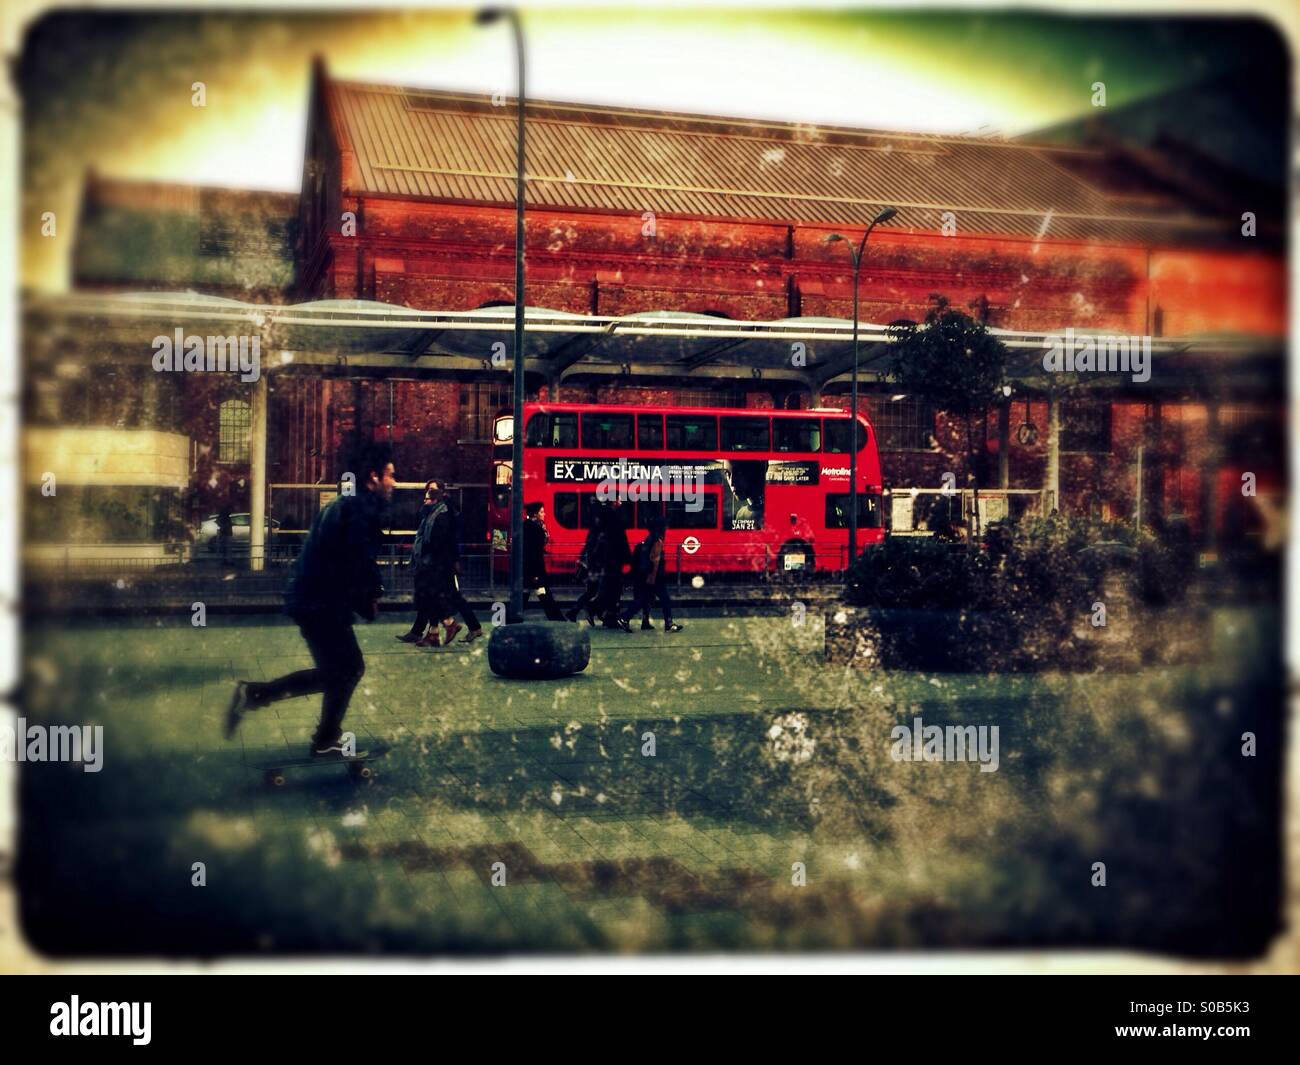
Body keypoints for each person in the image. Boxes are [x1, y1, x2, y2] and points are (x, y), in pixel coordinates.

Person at [222, 443, 394, 757]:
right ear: (373, 476)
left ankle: (272, 704)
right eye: (390, 476)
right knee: (347, 669)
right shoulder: (358, 509)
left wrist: (367, 593)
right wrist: (369, 596)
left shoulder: (348, 504)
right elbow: (354, 559)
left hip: (315, 600)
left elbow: (348, 558)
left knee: (340, 671)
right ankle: (306, 725)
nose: (393, 483)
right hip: (321, 603)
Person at [617, 516, 682, 632]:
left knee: (645, 599)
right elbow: (655, 560)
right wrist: (652, 578)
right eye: (665, 527)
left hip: (647, 575)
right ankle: (669, 624)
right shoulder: (658, 541)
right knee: (664, 599)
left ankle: (626, 618)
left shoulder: (649, 538)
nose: (666, 529)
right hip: (655, 577)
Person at [522, 501, 566, 621]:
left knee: (526, 595)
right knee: (544, 595)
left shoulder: (527, 525)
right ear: (535, 514)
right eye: (541, 512)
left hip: (528, 568)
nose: (544, 514)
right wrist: (536, 573)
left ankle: (511, 619)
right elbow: (534, 551)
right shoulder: (536, 528)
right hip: (535, 570)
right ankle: (557, 619)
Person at [565, 504, 606, 625]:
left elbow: (588, 548)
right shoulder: (598, 532)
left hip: (593, 566)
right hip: (596, 567)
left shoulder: (594, 531)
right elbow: (594, 550)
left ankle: (583, 611)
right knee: (598, 591)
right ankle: (592, 611)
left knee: (593, 591)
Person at [594, 498, 632, 628]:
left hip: (609, 557)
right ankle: (609, 616)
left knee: (610, 586)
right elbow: (621, 539)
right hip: (615, 557)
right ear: (614, 501)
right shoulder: (614, 517)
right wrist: (627, 558)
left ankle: (604, 613)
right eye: (619, 498)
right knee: (614, 588)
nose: (621, 501)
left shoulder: (605, 515)